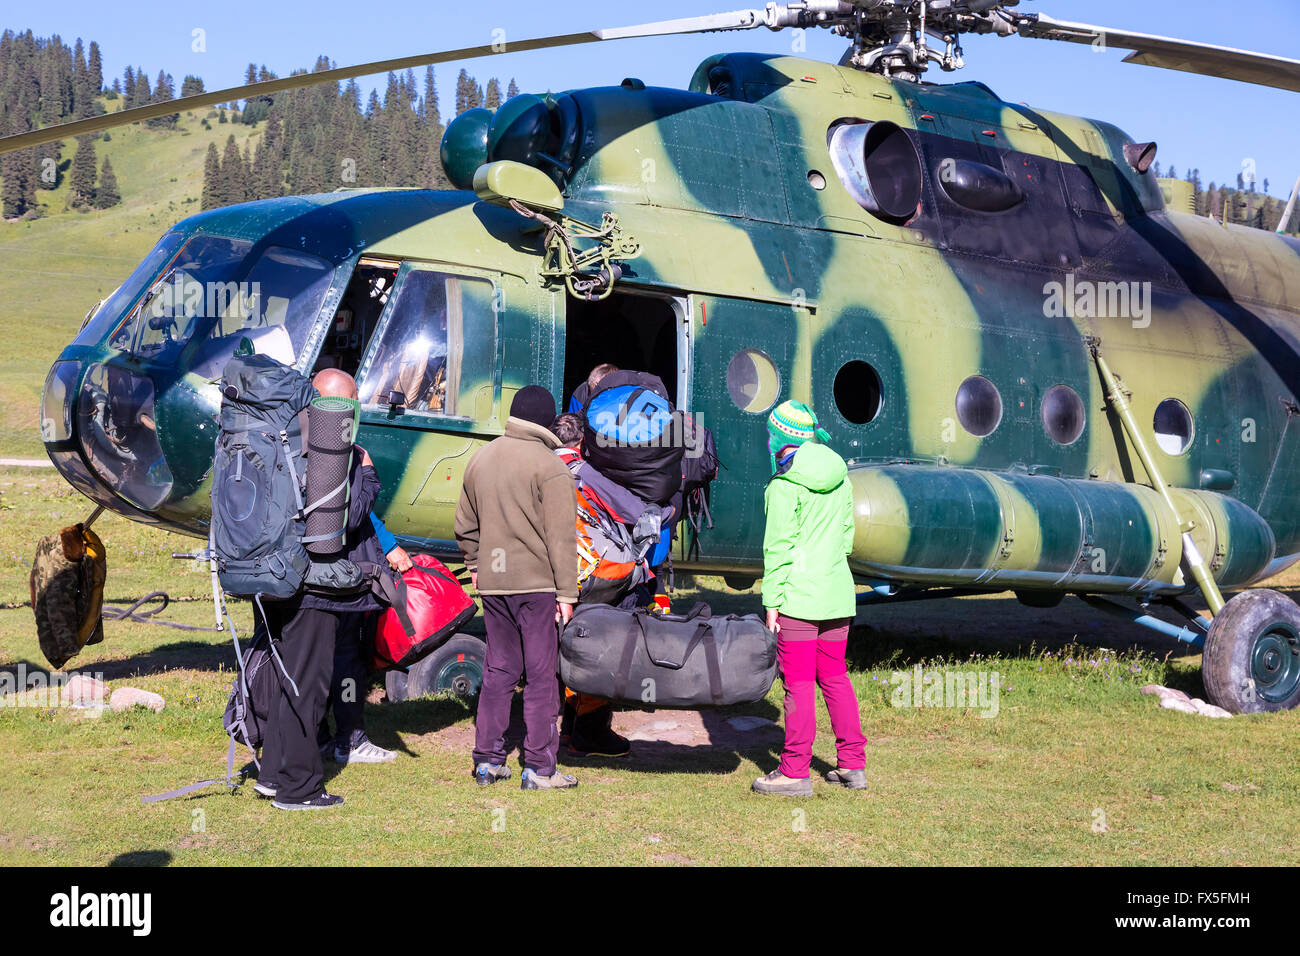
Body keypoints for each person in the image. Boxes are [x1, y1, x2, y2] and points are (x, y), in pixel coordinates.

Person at [256, 367, 384, 810]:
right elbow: (344, 522)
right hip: (315, 586)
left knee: (286, 679)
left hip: (272, 576)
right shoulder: (332, 449)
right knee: (308, 687)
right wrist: (366, 475)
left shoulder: (281, 438)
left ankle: (272, 774)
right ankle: (300, 788)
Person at [455, 386, 580, 791]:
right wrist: (567, 593)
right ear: (547, 422)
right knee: (542, 675)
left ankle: (488, 761)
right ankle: (540, 768)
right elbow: (561, 539)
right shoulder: (551, 467)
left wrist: (475, 563)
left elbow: (464, 524)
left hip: (493, 582)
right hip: (538, 585)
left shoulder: (481, 458)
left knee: (499, 669)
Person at [752, 400, 867, 797]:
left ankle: (794, 772)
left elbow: (778, 549)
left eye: (771, 432)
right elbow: (848, 536)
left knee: (798, 685)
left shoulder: (784, 487)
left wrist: (772, 601)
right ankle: (853, 764)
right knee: (835, 677)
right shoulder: (841, 476)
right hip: (837, 594)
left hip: (798, 600)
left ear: (781, 438)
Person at [550, 412, 635, 759]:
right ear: (582, 442)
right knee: (599, 644)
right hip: (593, 576)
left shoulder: (540, 471)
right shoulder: (586, 473)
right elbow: (630, 511)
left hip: (549, 575)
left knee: (566, 647)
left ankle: (568, 729)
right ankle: (590, 730)